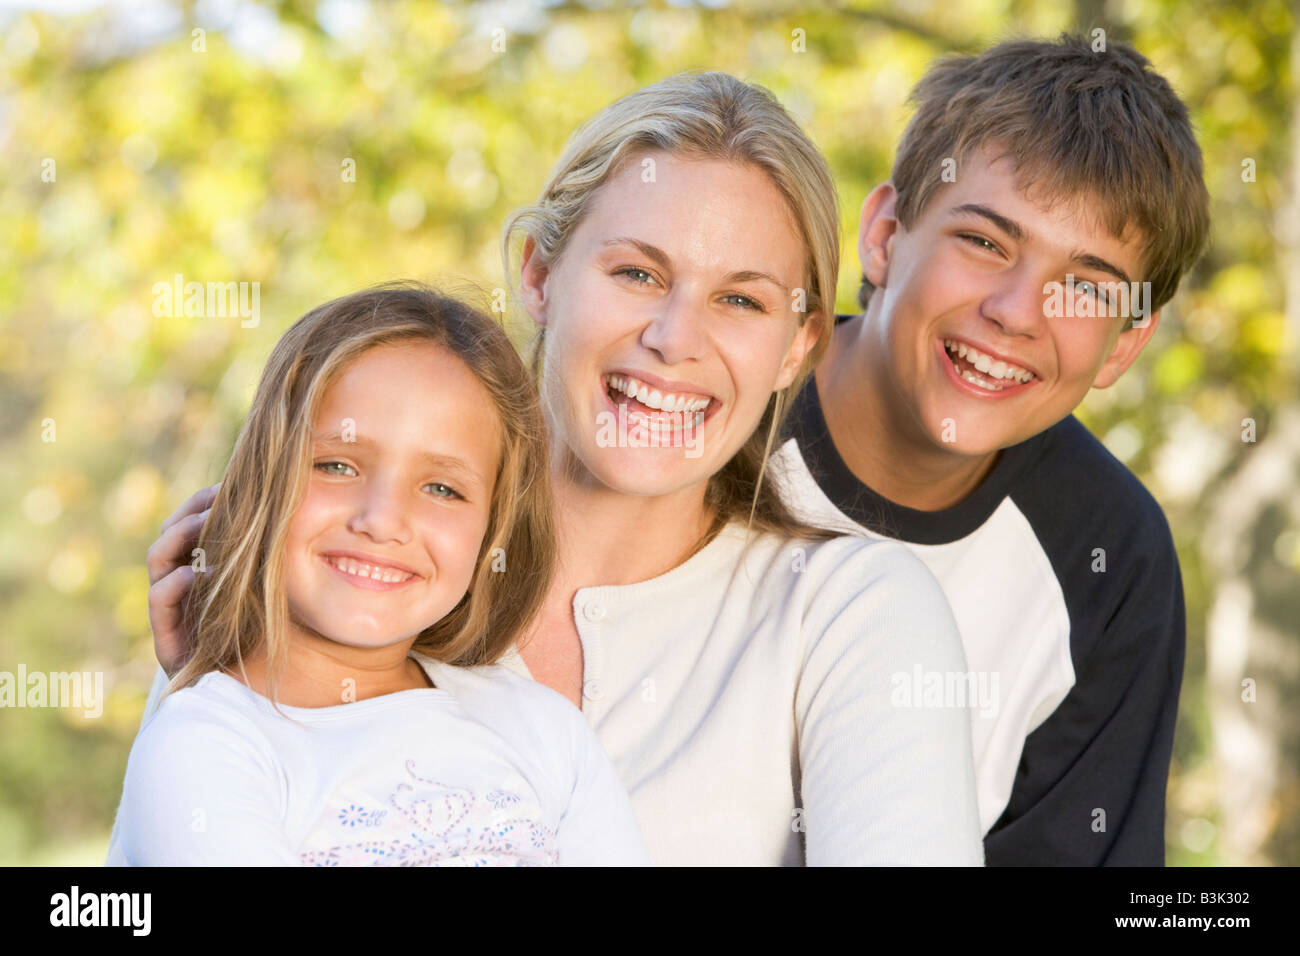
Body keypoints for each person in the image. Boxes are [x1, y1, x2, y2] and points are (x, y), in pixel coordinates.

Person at [128, 72, 985, 866]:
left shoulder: (851, 612)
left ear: (799, 342)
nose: (674, 340)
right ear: (541, 273)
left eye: (740, 299)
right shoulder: (353, 574)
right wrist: (228, 681)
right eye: (638, 272)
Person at [770, 35, 1211, 864]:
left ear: (1123, 345)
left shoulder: (1109, 553)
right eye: (984, 242)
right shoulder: (718, 414)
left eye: (1084, 286)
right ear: (886, 234)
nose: (1016, 311)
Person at [108, 284, 652, 866]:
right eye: (337, 465)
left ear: (493, 531)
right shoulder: (206, 743)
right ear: (259, 486)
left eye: (443, 488)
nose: (383, 521)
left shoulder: (543, 730)